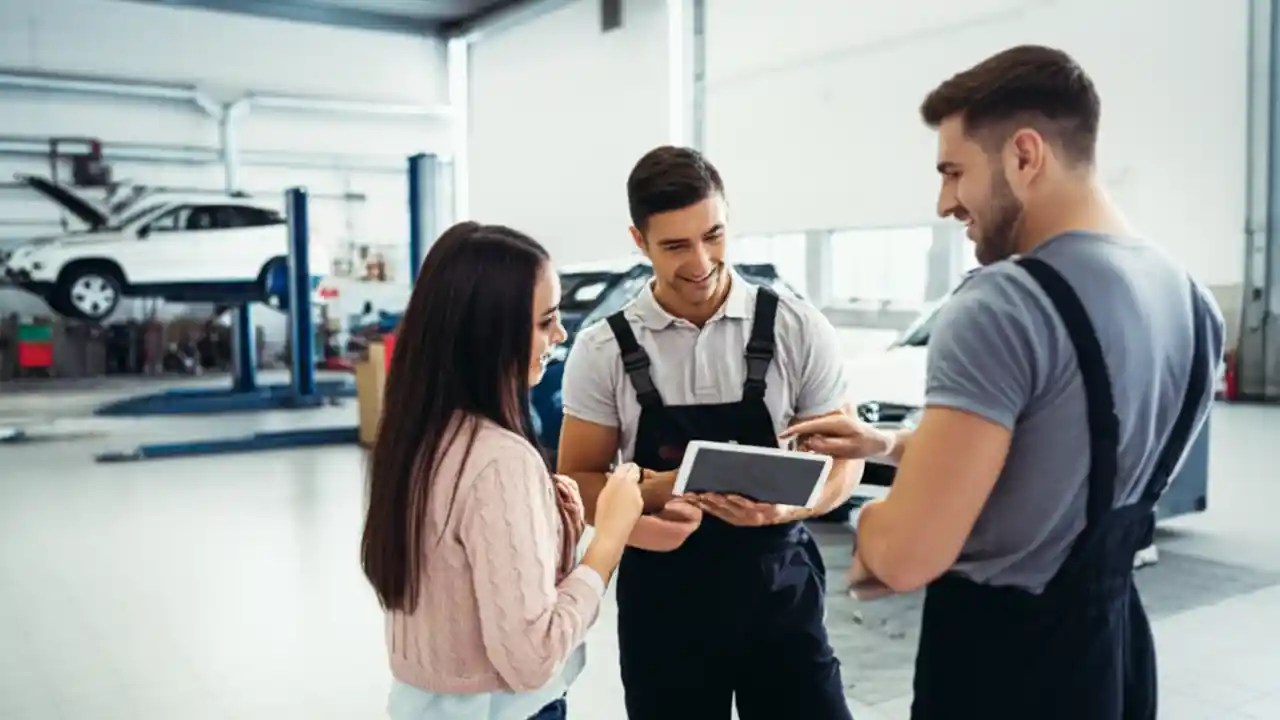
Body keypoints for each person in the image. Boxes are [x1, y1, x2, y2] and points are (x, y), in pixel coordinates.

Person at [785, 45, 1226, 720]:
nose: (943, 202)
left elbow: (905, 558)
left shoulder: (1002, 303)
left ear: (1024, 156)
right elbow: (1067, 457)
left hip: (1004, 668)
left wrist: (871, 526)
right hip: (1115, 652)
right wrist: (890, 445)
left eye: (953, 172)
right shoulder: (1193, 300)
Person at [558, 145, 864, 720]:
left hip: (781, 594)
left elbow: (846, 463)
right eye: (675, 245)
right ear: (638, 240)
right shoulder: (603, 349)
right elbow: (574, 480)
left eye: (714, 236)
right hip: (664, 605)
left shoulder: (798, 328)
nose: (700, 262)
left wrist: (789, 511)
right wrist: (654, 496)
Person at [359, 221, 646, 720]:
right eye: (545, 321)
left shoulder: (415, 438)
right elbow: (532, 658)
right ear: (490, 333)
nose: (559, 335)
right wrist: (607, 543)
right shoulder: (499, 461)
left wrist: (552, 526)